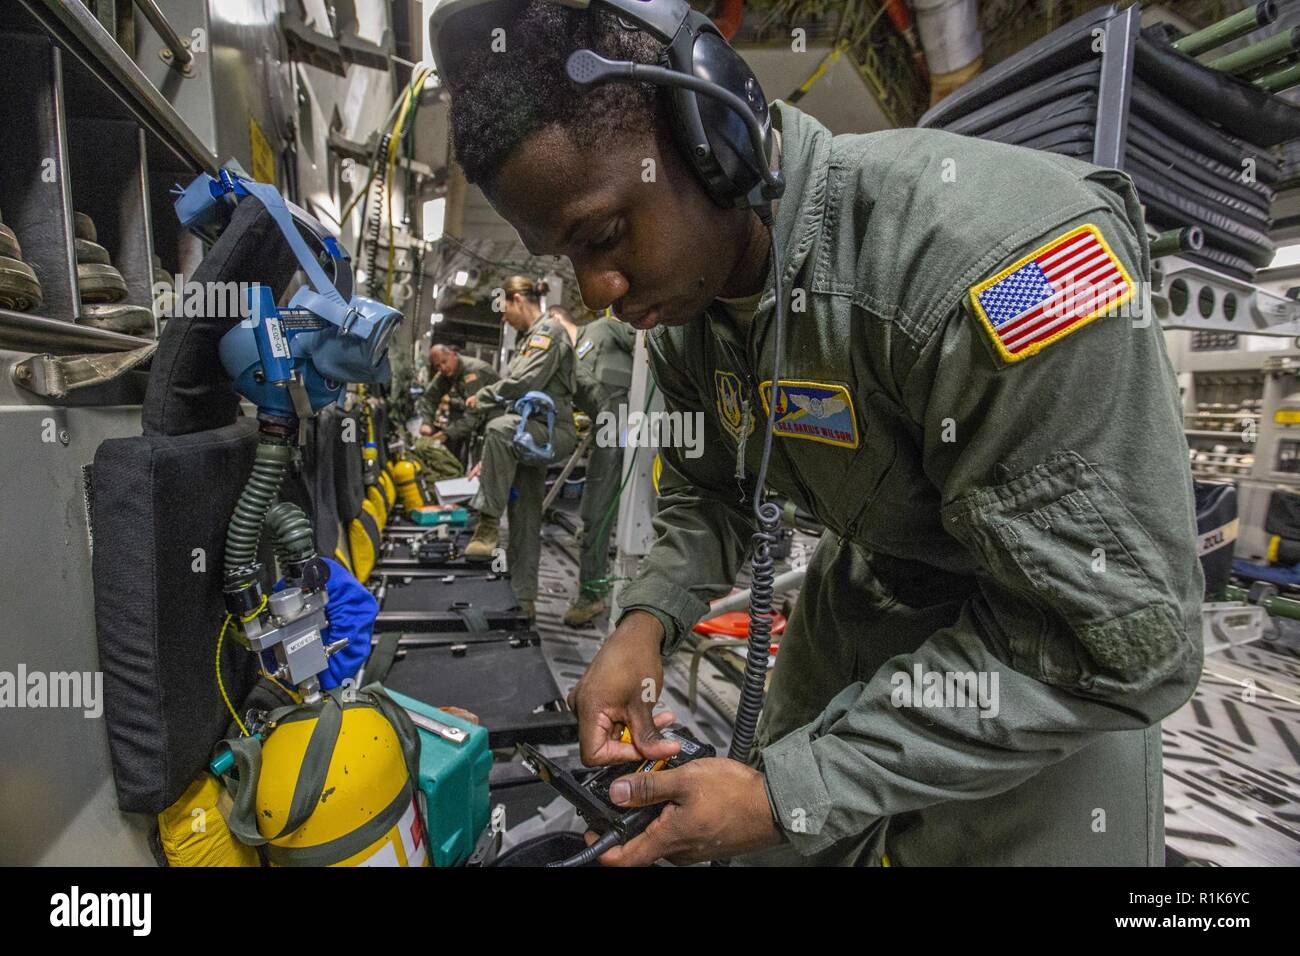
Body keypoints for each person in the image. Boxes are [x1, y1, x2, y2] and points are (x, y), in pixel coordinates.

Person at [432, 0, 1203, 866]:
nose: (598, 289)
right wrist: (645, 623)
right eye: (566, 261)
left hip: (1037, 671)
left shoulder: (1009, 262)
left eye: (605, 234)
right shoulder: (689, 313)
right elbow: (712, 494)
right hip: (860, 601)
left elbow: (1119, 638)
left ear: (710, 138)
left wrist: (790, 789)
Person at [463, 275, 577, 621]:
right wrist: (492, 462)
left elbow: (524, 383)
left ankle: (486, 525)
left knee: (498, 429)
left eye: (503, 310)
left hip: (551, 431)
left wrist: (480, 397)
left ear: (517, 299)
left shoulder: (548, 334)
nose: (503, 318)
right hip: (529, 432)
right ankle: (523, 601)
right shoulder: (527, 340)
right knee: (526, 518)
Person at [564, 309, 636, 626]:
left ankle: (594, 595)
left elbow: (646, 347)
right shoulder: (571, 357)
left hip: (630, 425)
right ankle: (593, 590)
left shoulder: (603, 328)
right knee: (596, 514)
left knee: (602, 512)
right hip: (609, 430)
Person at [418, 343, 501, 462]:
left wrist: (446, 434)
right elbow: (430, 397)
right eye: (437, 366)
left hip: (496, 421)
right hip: (482, 422)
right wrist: (426, 422)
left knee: (485, 466)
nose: (442, 368)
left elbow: (474, 415)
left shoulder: (472, 372)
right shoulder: (449, 372)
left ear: (453, 355)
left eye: (444, 361)